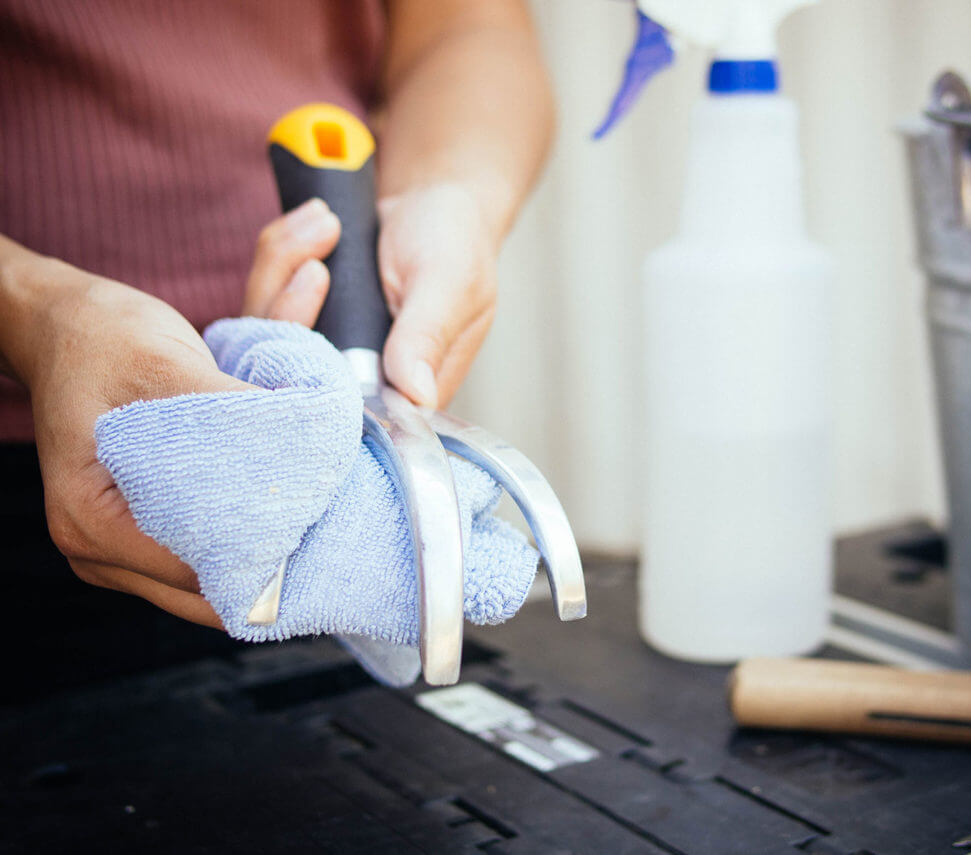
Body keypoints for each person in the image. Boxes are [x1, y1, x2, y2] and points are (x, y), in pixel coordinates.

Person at [0, 1, 555, 629]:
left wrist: (451, 191)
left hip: (325, 453)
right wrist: (31, 313)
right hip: (56, 448)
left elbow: (468, 27)